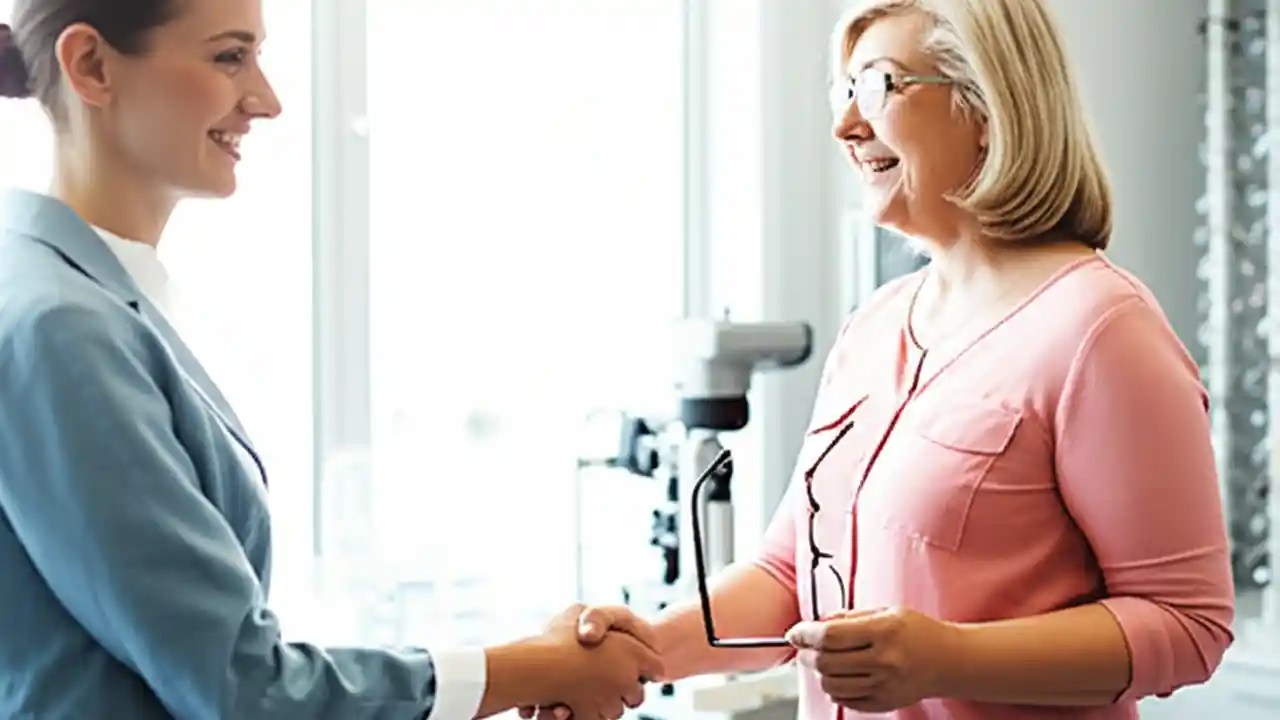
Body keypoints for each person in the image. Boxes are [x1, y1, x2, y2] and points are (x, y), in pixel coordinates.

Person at [531, 0, 1237, 718]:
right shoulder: (875, 325)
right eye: (844, 92)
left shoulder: (1101, 330)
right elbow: (789, 573)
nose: (846, 126)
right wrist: (645, 647)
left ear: (988, 104)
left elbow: (1187, 625)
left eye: (878, 86)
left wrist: (945, 659)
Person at [0, 1, 661, 718]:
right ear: (92, 66)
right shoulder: (61, 328)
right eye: (229, 57)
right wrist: (534, 670)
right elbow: (239, 687)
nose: (266, 100)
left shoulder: (84, 296)